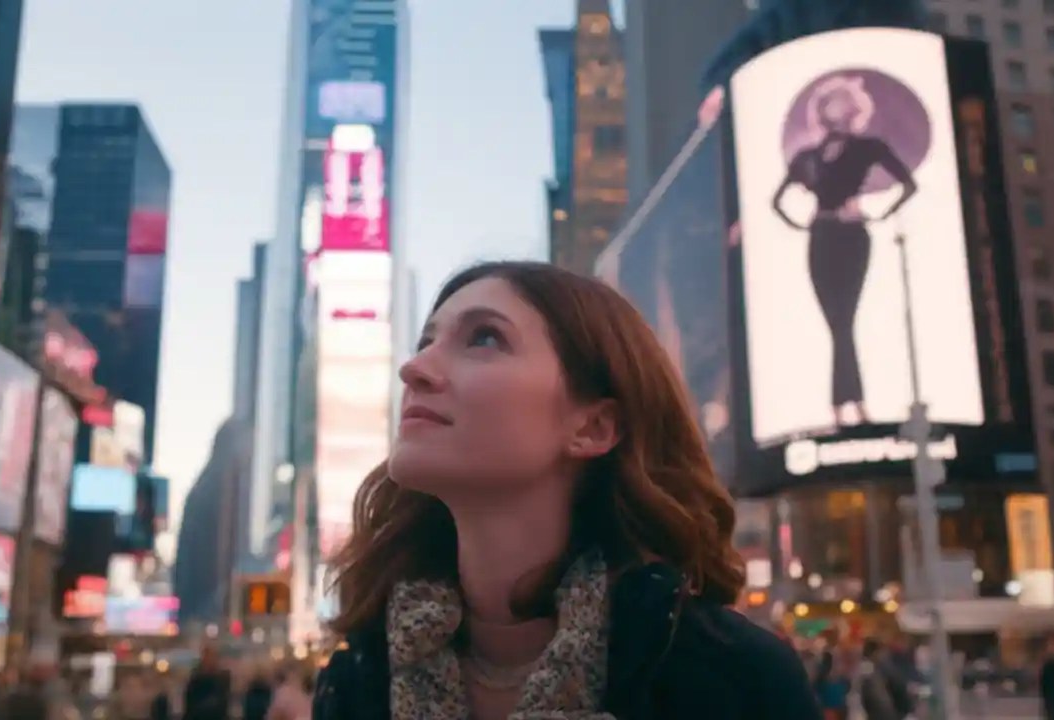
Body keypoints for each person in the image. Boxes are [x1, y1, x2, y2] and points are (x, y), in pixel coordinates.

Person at [312, 261, 821, 720]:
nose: (414, 368)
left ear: (593, 427)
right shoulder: (357, 683)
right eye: (426, 342)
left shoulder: (732, 680)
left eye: (484, 338)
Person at [772, 73, 917, 428]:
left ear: (854, 111)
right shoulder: (807, 157)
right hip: (821, 239)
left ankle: (847, 408)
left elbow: (909, 184)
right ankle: (848, 407)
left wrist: (881, 213)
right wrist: (803, 224)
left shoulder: (868, 148)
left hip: (852, 238)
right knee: (837, 323)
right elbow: (777, 200)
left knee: (844, 321)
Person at [184, 645, 231, 720]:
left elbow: (223, 706)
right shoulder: (195, 682)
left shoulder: (222, 681)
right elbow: (190, 708)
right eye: (208, 658)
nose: (210, 661)